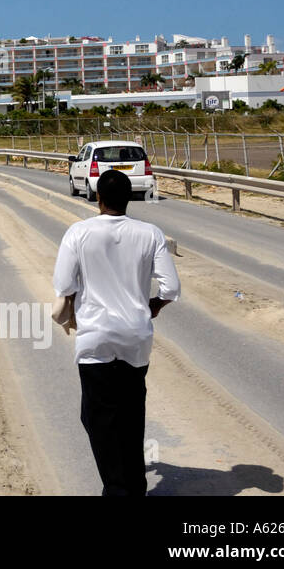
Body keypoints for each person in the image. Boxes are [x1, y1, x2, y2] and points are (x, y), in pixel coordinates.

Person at [53, 169, 179, 496]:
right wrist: (153, 306)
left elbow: (64, 285)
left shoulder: (78, 232)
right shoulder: (150, 233)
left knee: (96, 418)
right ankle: (133, 487)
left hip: (95, 338)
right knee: (131, 415)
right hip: (136, 339)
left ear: (98, 197)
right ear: (129, 197)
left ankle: (118, 489)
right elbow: (171, 288)